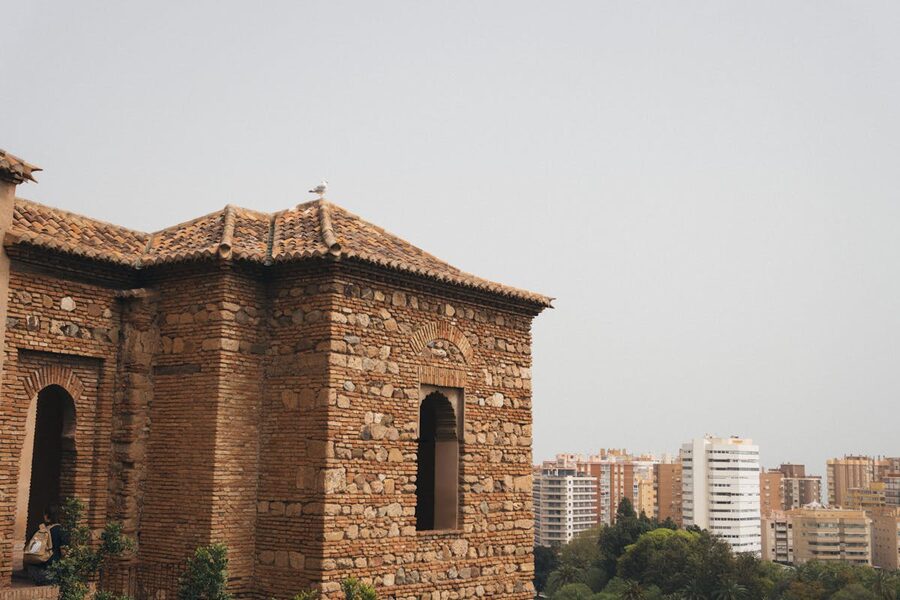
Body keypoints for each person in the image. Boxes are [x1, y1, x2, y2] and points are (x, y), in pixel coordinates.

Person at [26, 505, 68, 586]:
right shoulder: (62, 531)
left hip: (34, 569)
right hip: (52, 571)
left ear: (46, 516)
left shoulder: (39, 530)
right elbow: (65, 553)